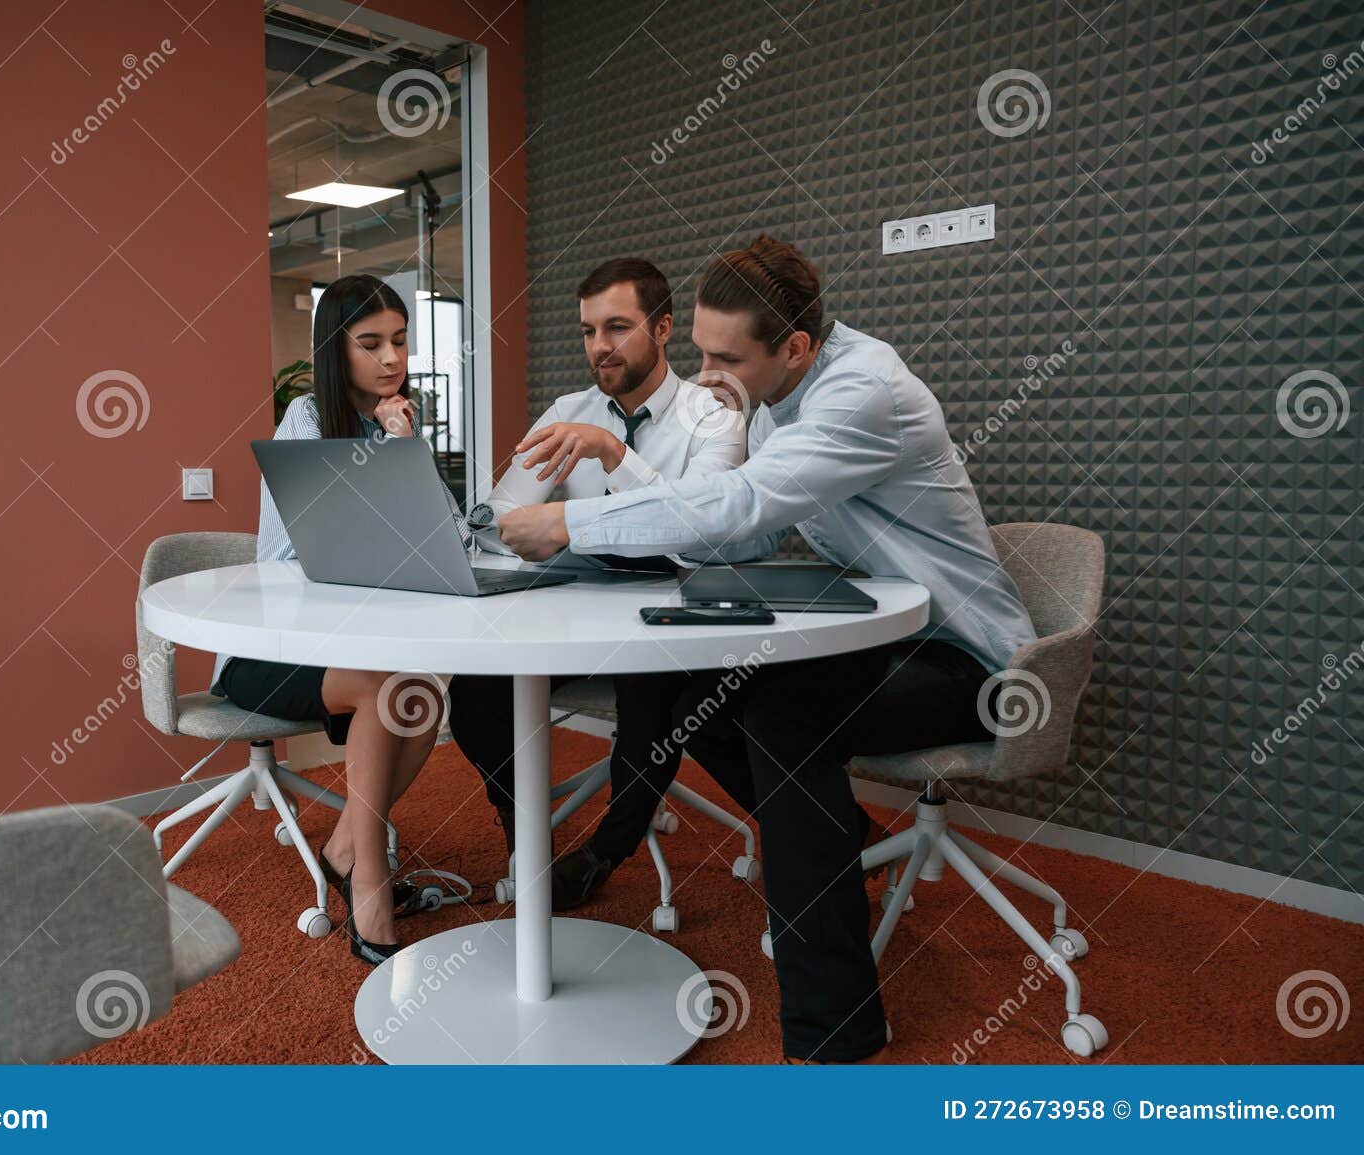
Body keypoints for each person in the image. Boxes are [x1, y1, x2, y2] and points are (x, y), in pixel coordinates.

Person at [497, 234, 1037, 1062]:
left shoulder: (862, 391)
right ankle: (834, 839)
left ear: (794, 346)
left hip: (971, 660)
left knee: (785, 716)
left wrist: (573, 519)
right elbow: (735, 535)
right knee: (700, 687)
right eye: (702, 351)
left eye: (725, 357)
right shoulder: (780, 395)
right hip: (884, 632)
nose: (707, 375)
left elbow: (739, 505)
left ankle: (834, 1038)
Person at [448, 257, 745, 907]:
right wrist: (492, 518)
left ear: (663, 327)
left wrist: (614, 454)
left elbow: (699, 530)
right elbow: (503, 510)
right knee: (474, 694)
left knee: (651, 697)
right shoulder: (568, 411)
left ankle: (605, 851)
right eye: (587, 331)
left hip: (672, 607)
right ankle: (524, 831)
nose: (599, 347)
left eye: (616, 327)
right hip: (575, 610)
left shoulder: (714, 416)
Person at [209, 273, 463, 966]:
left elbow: (446, 538)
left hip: (355, 649)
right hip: (271, 648)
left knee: (421, 695)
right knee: (390, 690)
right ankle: (371, 877)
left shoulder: (397, 422)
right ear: (336, 348)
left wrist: (407, 455)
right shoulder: (307, 420)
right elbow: (302, 553)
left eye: (401, 342)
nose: (391, 359)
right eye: (371, 343)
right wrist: (380, 458)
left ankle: (346, 846)